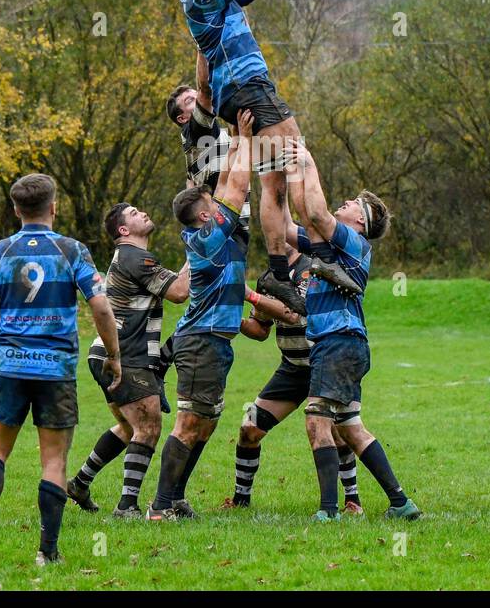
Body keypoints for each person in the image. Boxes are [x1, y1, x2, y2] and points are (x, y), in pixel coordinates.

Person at [166, 0, 356, 313]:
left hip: (249, 88)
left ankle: (277, 272)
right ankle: (325, 258)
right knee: (298, 157)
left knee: (274, 184)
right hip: (247, 86)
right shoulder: (200, 0)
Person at [0, 174, 121, 568]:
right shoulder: (72, 250)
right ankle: (47, 551)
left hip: (10, 365)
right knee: (54, 461)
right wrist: (113, 353)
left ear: (16, 209)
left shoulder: (0, 251)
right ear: (54, 206)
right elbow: (100, 306)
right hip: (57, 368)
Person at [285, 142, 419, 522]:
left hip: (339, 342)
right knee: (352, 429)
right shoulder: (331, 246)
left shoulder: (353, 241)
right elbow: (290, 221)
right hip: (345, 345)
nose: (344, 203)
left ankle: (329, 511)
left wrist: (307, 160)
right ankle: (401, 503)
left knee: (316, 421)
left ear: (361, 222)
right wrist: (284, 174)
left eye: (352, 204)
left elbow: (314, 210)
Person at [148, 110, 258, 521]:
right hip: (201, 342)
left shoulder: (209, 228)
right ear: (207, 215)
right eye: (213, 203)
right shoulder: (210, 238)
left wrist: (230, 141)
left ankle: (175, 499)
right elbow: (240, 186)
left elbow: (229, 183)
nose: (220, 201)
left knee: (206, 423)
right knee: (189, 424)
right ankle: (160, 507)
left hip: (215, 341)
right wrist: (245, 139)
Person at [222, 231, 364, 513]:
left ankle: (352, 500)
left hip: (324, 365)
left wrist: (249, 295)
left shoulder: (312, 268)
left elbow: (298, 312)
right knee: (249, 428)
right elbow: (260, 329)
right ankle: (240, 500)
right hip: (292, 368)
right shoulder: (268, 278)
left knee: (338, 433)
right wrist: (229, 316)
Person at [66, 203, 191, 518]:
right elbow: (178, 291)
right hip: (124, 357)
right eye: (134, 213)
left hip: (108, 354)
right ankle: (126, 506)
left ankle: (80, 483)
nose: (144, 213)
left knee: (128, 426)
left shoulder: (130, 258)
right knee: (148, 427)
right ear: (123, 230)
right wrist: (198, 248)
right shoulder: (137, 257)